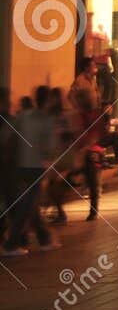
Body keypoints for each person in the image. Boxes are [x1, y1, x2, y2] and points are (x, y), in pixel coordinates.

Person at [3, 88, 61, 256]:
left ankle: (44, 239)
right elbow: (49, 149)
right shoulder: (47, 121)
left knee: (29, 204)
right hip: (36, 167)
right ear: (49, 100)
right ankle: (11, 244)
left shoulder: (24, 116)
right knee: (26, 206)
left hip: (20, 166)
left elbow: (10, 135)